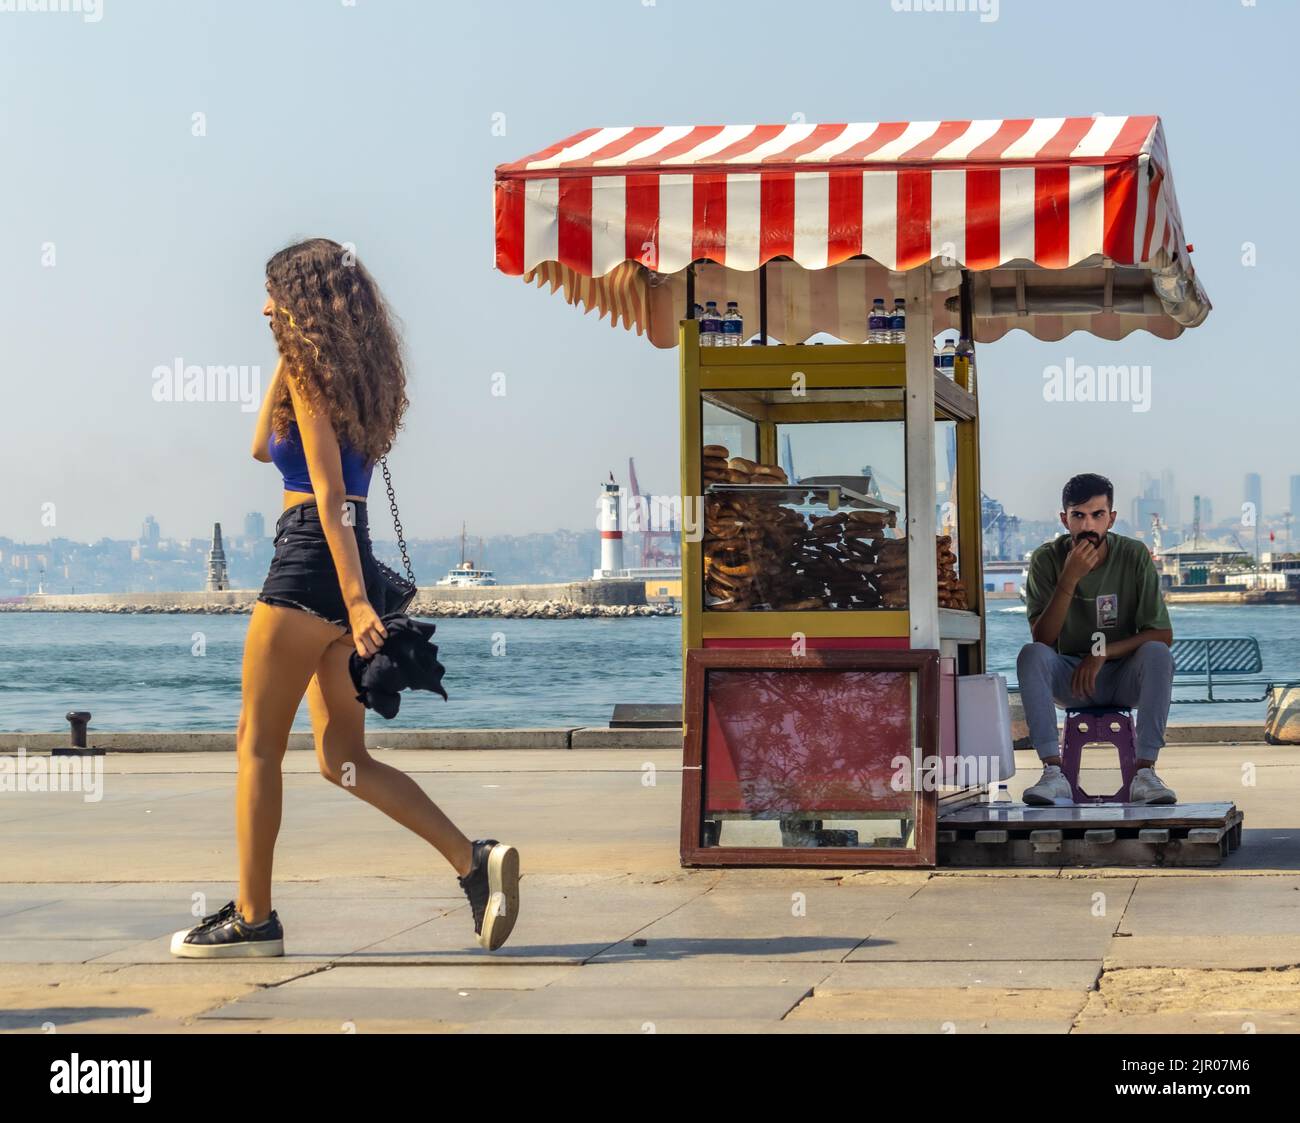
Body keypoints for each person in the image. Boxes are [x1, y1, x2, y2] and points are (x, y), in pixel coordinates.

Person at [171, 238, 519, 958]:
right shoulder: (350, 376)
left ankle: (254, 918)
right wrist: (286, 350)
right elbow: (263, 448)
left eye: (273, 296)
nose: (264, 307)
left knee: (256, 744)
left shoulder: (311, 371)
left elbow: (328, 497)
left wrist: (358, 606)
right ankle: (471, 859)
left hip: (310, 558)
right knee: (341, 755)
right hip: (346, 560)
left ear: (301, 301)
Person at [1017, 473, 1176, 806]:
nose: (1088, 525)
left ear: (1111, 518)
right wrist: (1069, 578)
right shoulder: (1047, 559)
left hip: (1121, 675)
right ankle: (1053, 773)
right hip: (1070, 680)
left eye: (1097, 515)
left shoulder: (1133, 555)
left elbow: (1162, 634)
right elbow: (1043, 638)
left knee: (1158, 654)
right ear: (1065, 519)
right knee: (1031, 654)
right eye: (1078, 515)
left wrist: (1101, 653)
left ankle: (1145, 773)